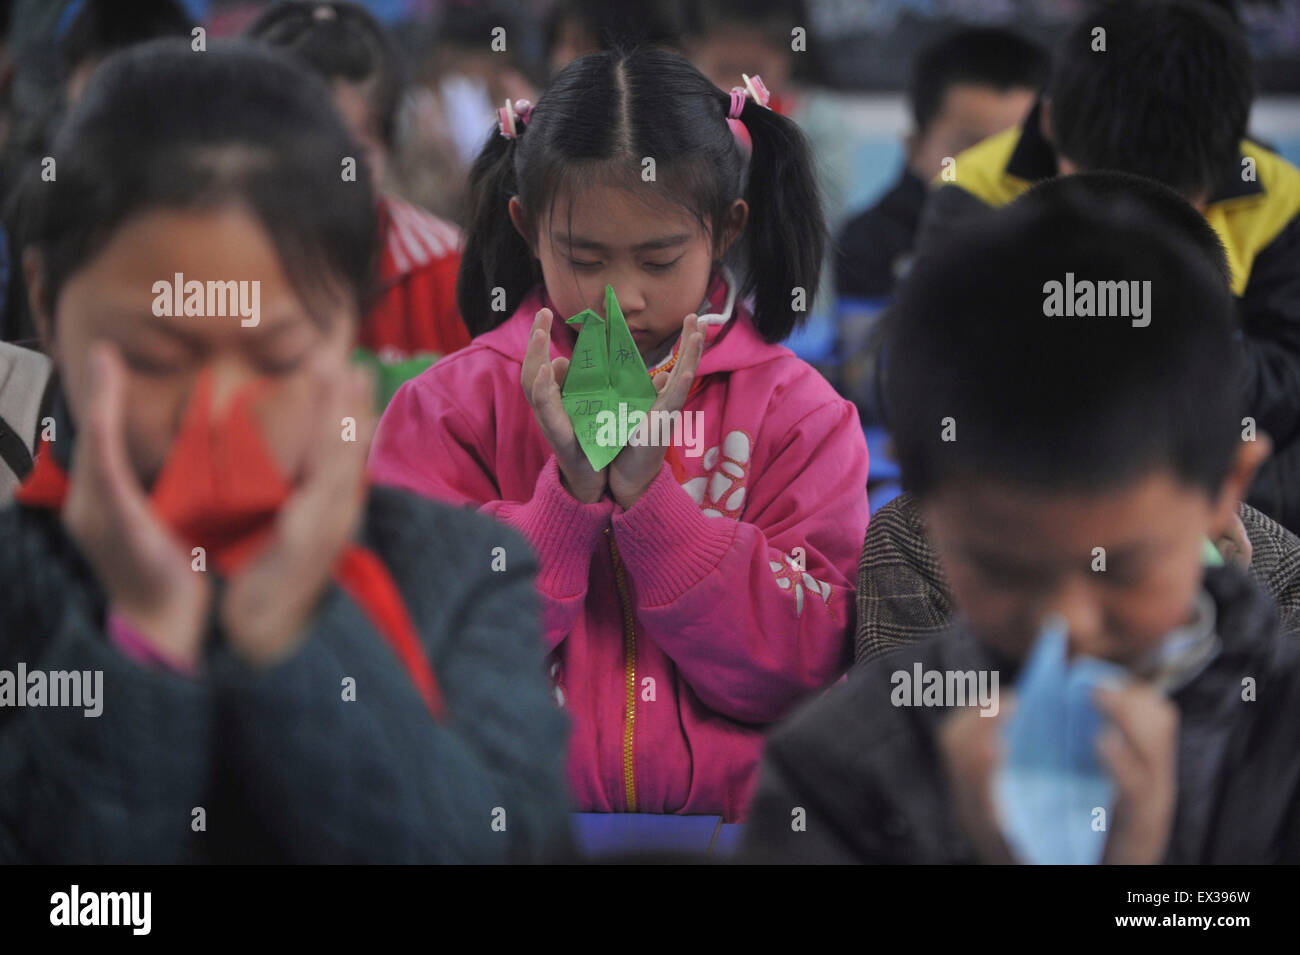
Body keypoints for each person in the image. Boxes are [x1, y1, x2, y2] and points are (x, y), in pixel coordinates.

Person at [0, 41, 570, 863]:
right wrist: (145, 647)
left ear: (350, 331)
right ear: (48, 304)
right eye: (157, 360)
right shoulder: (21, 587)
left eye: (276, 359)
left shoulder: (462, 574)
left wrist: (290, 629)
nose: (218, 415)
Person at [369, 48, 869, 821]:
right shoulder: (448, 407)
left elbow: (803, 665)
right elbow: (417, 653)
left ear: (726, 230)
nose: (621, 296)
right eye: (584, 258)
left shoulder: (799, 414)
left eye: (659, 259)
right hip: (508, 826)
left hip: (735, 833)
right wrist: (563, 505)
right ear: (527, 228)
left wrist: (654, 507)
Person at [744, 172, 1300, 864]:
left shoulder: (1279, 748)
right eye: (1003, 569)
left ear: (1227, 486)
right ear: (927, 511)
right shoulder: (837, 773)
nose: (1065, 627)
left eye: (1121, 568)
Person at [913, 0, 1300, 532]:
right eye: (1100, 200)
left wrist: (1154, 342)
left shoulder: (1282, 200)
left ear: (1231, 156)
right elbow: (924, 366)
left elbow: (1289, 375)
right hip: (1030, 481)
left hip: (1220, 489)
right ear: (1051, 124)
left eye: (1175, 212)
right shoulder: (975, 191)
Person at [246, 1, 470, 407]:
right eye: (299, 154)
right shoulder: (221, 269)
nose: (327, 182)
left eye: (354, 155)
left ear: (391, 141)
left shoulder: (452, 271)